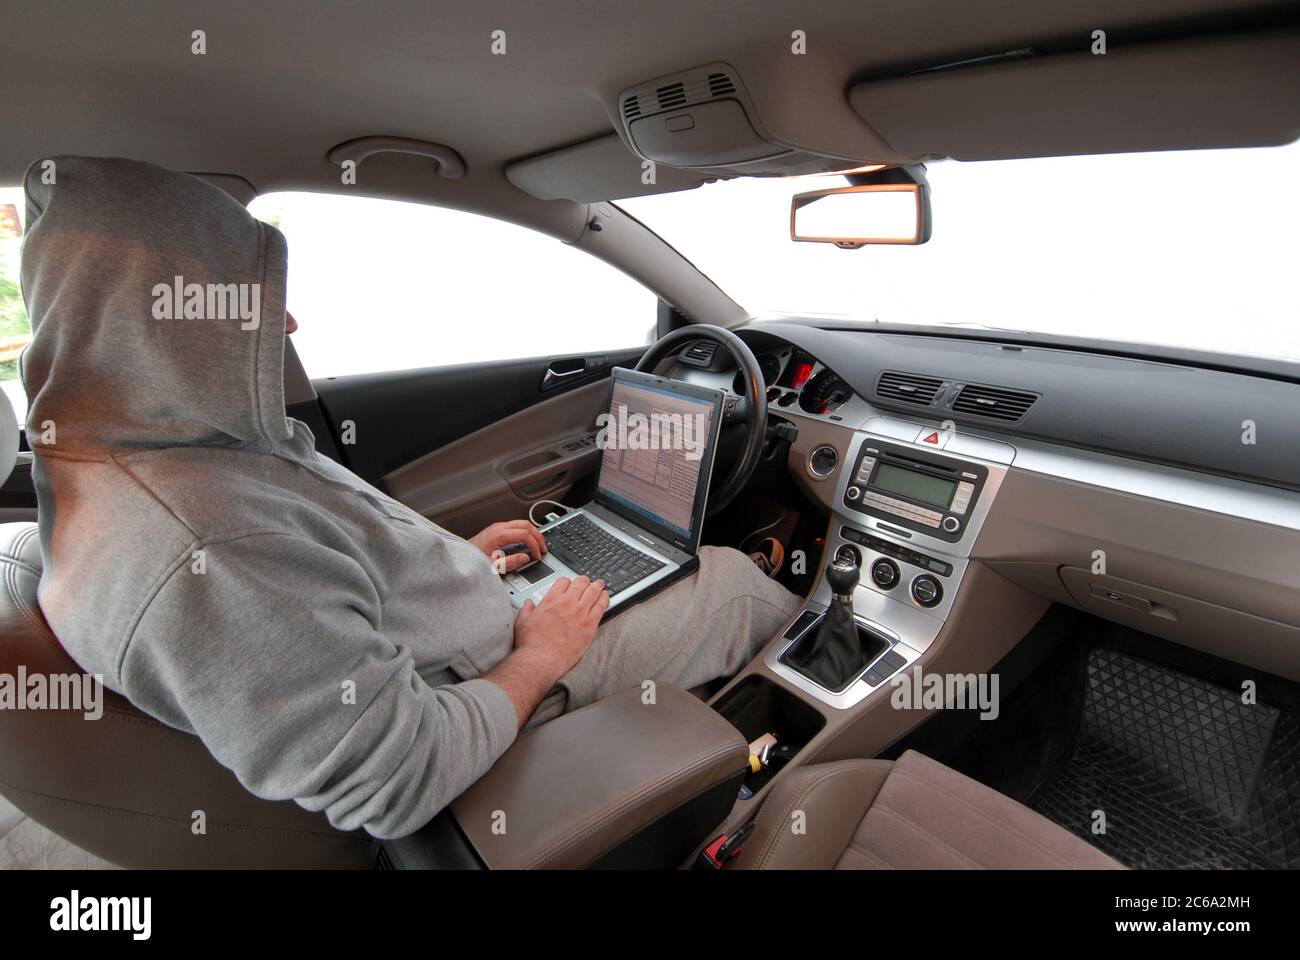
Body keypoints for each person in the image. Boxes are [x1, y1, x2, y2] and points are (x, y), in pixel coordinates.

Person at [19, 156, 799, 838]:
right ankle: (815, 744)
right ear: (160, 318)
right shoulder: (206, 550)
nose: (285, 320)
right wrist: (541, 656)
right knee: (727, 580)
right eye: (248, 296)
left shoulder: (154, 449)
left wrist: (455, 561)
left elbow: (320, 584)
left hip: (475, 636)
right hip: (499, 686)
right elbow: (405, 775)